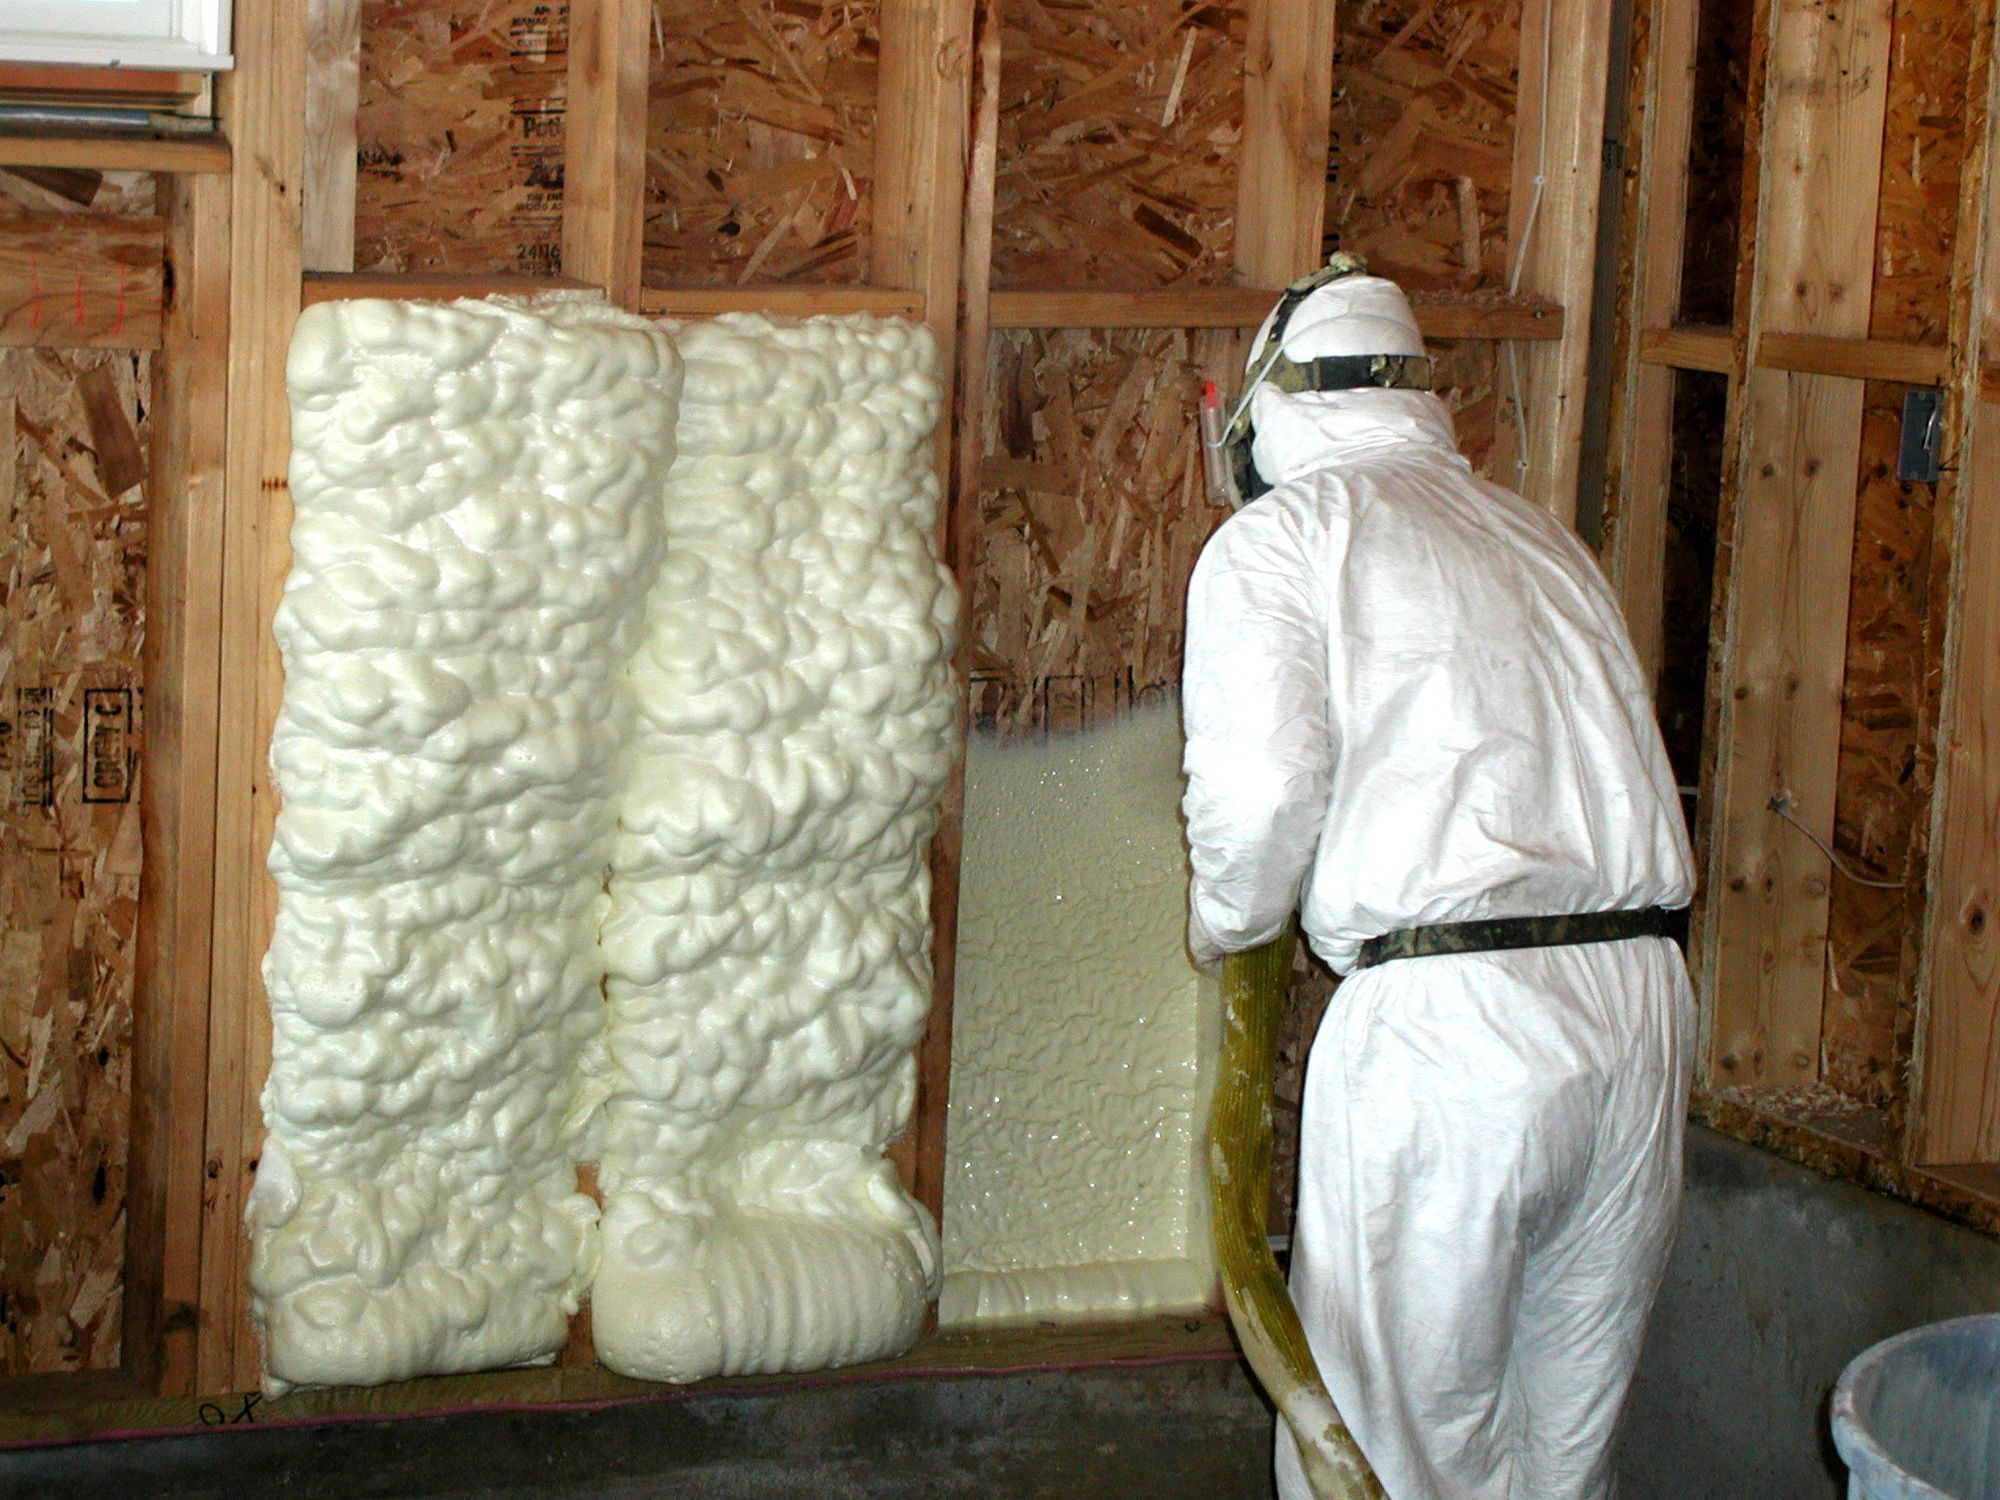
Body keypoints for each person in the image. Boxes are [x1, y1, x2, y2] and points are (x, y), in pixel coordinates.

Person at [1181, 259, 1696, 1500]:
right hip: (1637, 1014)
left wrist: (1224, 923)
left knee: (1391, 1447)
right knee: (1563, 1455)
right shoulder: (1540, 538)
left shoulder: (1277, 542)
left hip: (1450, 1034)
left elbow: (1259, 799)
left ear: (1262, 413)